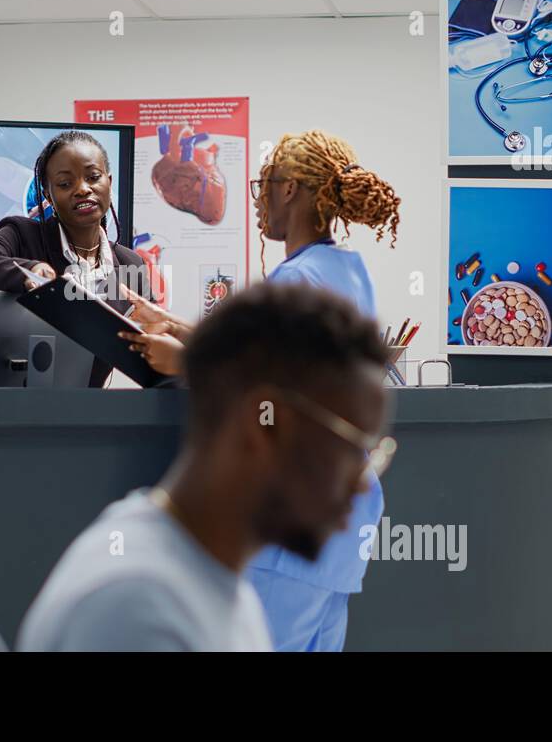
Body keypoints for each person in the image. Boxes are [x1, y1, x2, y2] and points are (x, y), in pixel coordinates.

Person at [118, 129, 401, 651]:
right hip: (337, 531)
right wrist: (174, 323)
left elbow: (276, 397)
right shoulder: (343, 270)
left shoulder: (296, 281)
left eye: (264, 184)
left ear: (289, 190)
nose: (257, 199)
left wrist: (180, 358)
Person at [17, 282, 394, 651]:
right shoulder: (138, 611)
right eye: (349, 448)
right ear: (262, 425)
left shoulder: (218, 587)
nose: (363, 486)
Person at [0, 130, 149, 387]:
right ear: (48, 195)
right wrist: (31, 269)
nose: (83, 189)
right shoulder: (23, 235)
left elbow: (147, 351)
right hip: (16, 407)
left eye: (93, 177)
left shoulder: (130, 264)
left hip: (88, 412)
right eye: (65, 184)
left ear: (108, 183)